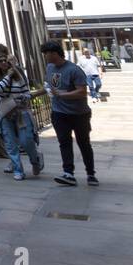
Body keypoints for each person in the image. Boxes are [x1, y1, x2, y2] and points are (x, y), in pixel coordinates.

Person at [42, 40, 99, 187]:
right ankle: (68, 173)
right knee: (64, 142)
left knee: (83, 142)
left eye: (47, 53)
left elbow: (82, 92)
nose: (45, 56)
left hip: (79, 113)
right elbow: (50, 85)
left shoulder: (74, 70)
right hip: (59, 113)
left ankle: (90, 173)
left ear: (54, 53)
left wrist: (62, 95)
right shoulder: (49, 68)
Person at [0, 45, 43, 180]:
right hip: (5, 114)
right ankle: (18, 170)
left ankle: (35, 160)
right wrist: (8, 76)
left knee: (26, 140)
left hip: (21, 112)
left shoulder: (18, 74)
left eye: (5, 60)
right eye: (0, 61)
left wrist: (25, 98)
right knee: (10, 143)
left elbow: (26, 91)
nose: (3, 63)